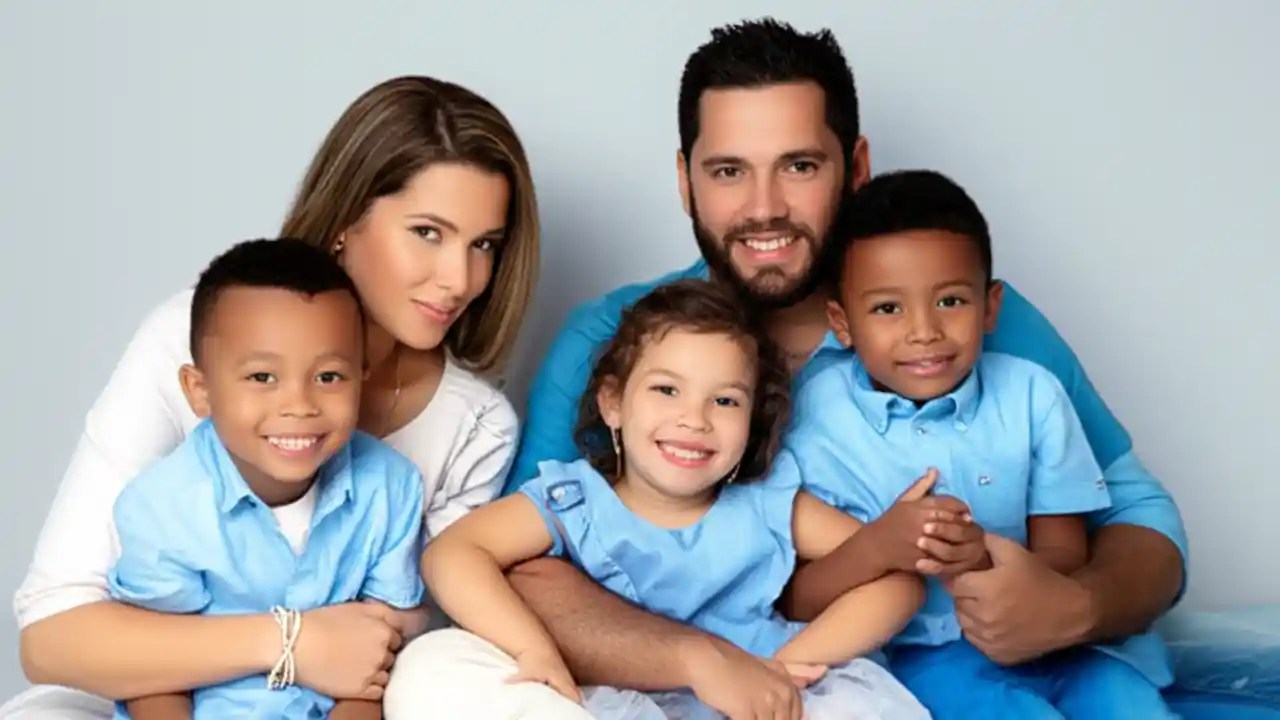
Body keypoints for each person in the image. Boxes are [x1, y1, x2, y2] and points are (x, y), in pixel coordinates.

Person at [414, 16, 1184, 717]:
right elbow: (527, 565)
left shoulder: (964, 320)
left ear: (856, 167)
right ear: (684, 179)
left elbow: (1142, 519)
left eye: (800, 166)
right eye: (728, 171)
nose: (765, 208)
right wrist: (706, 661)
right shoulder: (611, 339)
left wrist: (1076, 608)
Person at [3, 74, 539, 719]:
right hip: (150, 693)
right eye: (428, 232)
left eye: (484, 245)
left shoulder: (475, 425)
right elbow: (53, 634)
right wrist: (291, 642)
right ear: (346, 222)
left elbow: (404, 641)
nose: (459, 279)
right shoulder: (191, 338)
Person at [417, 279, 932, 720]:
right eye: (666, 390)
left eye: (725, 400)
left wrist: (786, 667)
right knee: (446, 665)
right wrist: (533, 648)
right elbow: (453, 553)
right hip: (627, 701)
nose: (694, 419)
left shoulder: (766, 503)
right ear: (613, 404)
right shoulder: (574, 501)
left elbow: (896, 580)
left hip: (768, 699)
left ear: (753, 423)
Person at [780, 168, 1175, 718]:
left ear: (990, 307)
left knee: (1126, 705)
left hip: (1055, 641)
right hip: (926, 657)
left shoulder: (1032, 395)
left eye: (950, 301)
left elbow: (1066, 553)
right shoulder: (817, 419)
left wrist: (985, 561)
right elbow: (796, 599)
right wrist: (877, 547)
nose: (924, 331)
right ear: (842, 323)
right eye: (888, 308)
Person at [109, 238, 426, 720]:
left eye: (329, 377)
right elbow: (153, 673)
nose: (298, 405)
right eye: (262, 378)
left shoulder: (390, 487)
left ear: (362, 377)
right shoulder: (161, 506)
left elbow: (374, 664)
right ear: (200, 391)